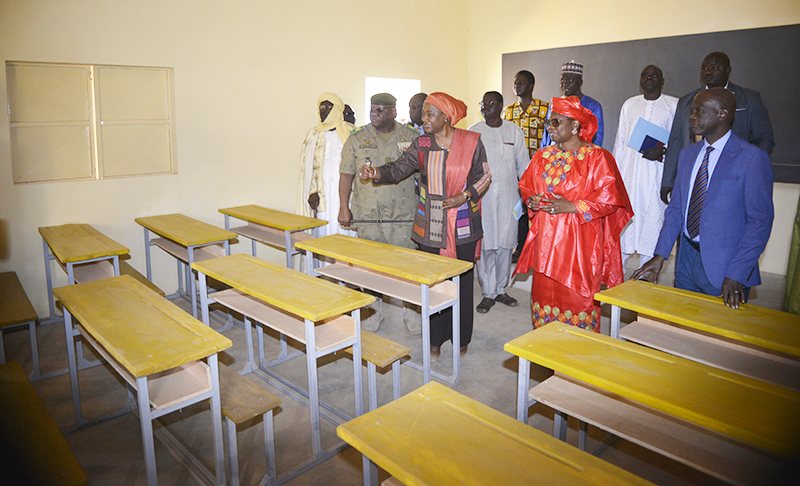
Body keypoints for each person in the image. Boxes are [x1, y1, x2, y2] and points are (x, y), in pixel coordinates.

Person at [360, 92, 491, 356]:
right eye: (424, 114)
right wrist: (377, 173)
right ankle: (435, 339)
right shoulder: (421, 144)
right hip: (429, 223)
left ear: (446, 117)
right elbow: (399, 168)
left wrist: (463, 196)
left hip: (462, 223)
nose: (424, 118)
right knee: (433, 285)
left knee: (462, 283)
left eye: (431, 114)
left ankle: (461, 337)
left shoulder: (472, 142)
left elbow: (485, 175)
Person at [632, 88, 774, 309]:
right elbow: (676, 210)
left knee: (721, 337)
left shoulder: (752, 158)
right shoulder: (688, 155)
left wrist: (737, 272)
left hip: (726, 267)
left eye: (700, 110)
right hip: (686, 261)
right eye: (692, 110)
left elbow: (760, 222)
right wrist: (660, 255)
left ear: (723, 114)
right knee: (685, 329)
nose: (692, 116)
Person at [515, 96, 632, 332]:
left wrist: (573, 206)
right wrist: (533, 200)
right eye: (550, 122)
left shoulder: (598, 158)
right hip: (546, 245)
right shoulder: (542, 156)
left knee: (579, 304)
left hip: (580, 247)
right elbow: (526, 186)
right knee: (544, 305)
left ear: (576, 126)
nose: (550, 127)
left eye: (556, 122)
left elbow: (611, 199)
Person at [339, 93, 419, 332]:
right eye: (373, 109)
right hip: (368, 214)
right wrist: (344, 206)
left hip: (402, 215)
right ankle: (374, 309)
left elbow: (423, 177)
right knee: (369, 267)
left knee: (407, 266)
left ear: (394, 111)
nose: (376, 113)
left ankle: (411, 311)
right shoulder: (357, 138)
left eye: (382, 109)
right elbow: (346, 175)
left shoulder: (411, 138)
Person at [661, 51, 774, 204]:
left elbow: (765, 139)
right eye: (704, 68)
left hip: (733, 177)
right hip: (694, 176)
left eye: (715, 67)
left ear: (728, 70)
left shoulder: (748, 99)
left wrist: (749, 167)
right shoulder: (686, 101)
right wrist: (668, 180)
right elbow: (675, 142)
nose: (708, 71)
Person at [612, 65, 678, 265]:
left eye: (654, 75)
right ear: (640, 80)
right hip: (630, 178)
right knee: (623, 234)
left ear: (662, 81)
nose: (649, 78)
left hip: (657, 178)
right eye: (645, 75)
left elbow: (678, 143)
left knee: (653, 230)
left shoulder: (673, 105)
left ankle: (645, 282)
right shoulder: (629, 105)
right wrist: (615, 181)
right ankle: (614, 287)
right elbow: (620, 143)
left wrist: (663, 151)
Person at [469, 91, 528, 313]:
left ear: (501, 106)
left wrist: (526, 195)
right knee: (485, 246)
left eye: (490, 103)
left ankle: (501, 289)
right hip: (483, 200)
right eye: (483, 103)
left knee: (506, 244)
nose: (485, 107)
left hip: (510, 199)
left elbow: (524, 166)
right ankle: (487, 293)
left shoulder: (514, 131)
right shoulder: (474, 132)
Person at [502, 69, 548, 263]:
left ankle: (541, 248)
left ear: (531, 85)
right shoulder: (509, 111)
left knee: (539, 209)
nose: (516, 86)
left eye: (520, 82)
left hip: (539, 169)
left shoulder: (545, 109)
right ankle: (520, 247)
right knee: (519, 208)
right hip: (514, 168)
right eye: (514, 82)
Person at [297, 93, 356, 237]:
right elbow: (307, 169)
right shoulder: (314, 134)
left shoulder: (351, 133)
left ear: (337, 109)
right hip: (322, 197)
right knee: (323, 233)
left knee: (345, 233)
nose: (323, 111)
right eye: (321, 108)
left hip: (346, 195)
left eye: (328, 107)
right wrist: (311, 192)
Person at [541, 61, 604, 147]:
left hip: (581, 156)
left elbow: (597, 140)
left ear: (580, 83)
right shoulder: (554, 104)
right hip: (555, 156)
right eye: (562, 80)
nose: (565, 83)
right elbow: (546, 137)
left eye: (570, 80)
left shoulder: (592, 106)